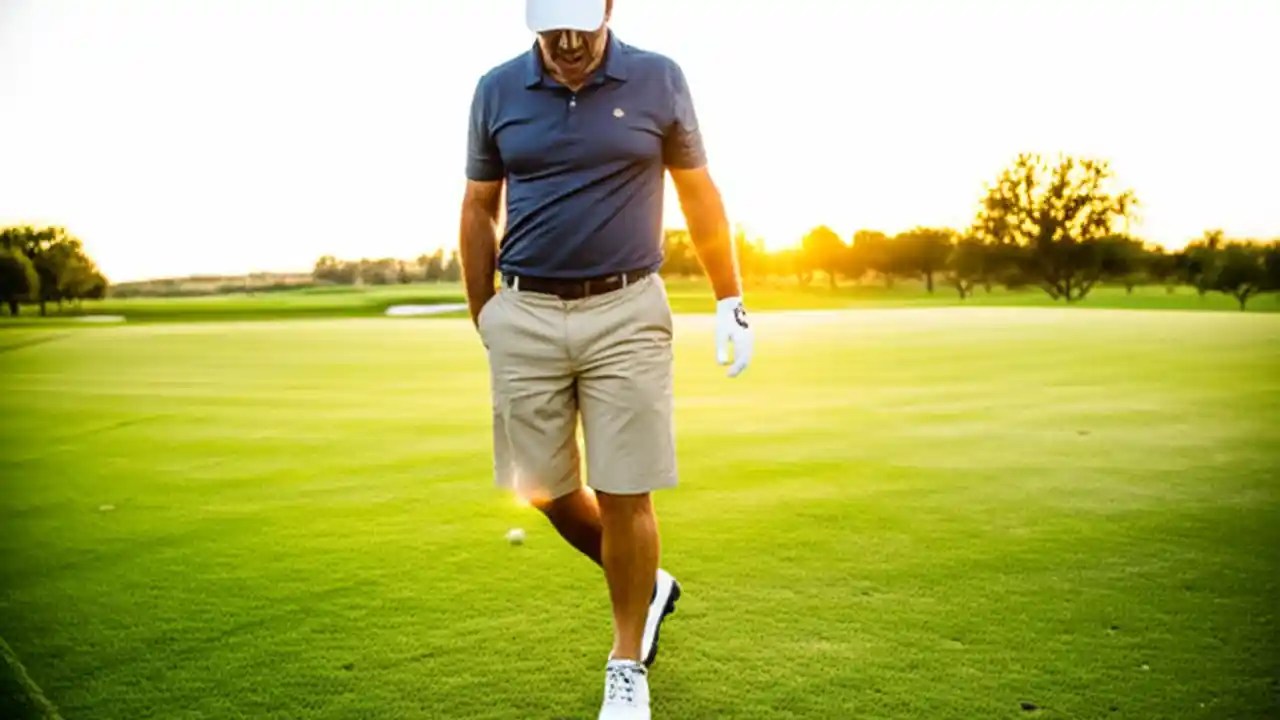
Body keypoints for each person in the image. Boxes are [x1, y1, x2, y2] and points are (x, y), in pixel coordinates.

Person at [458, 0, 753, 717]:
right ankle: (648, 584)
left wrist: (729, 300)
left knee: (626, 489)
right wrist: (485, 313)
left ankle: (627, 663)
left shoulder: (659, 79)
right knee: (541, 489)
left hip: (626, 308)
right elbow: (477, 206)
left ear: (609, 9)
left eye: (580, 29)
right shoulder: (496, 89)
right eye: (550, 30)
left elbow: (699, 193)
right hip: (525, 311)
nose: (566, 44)